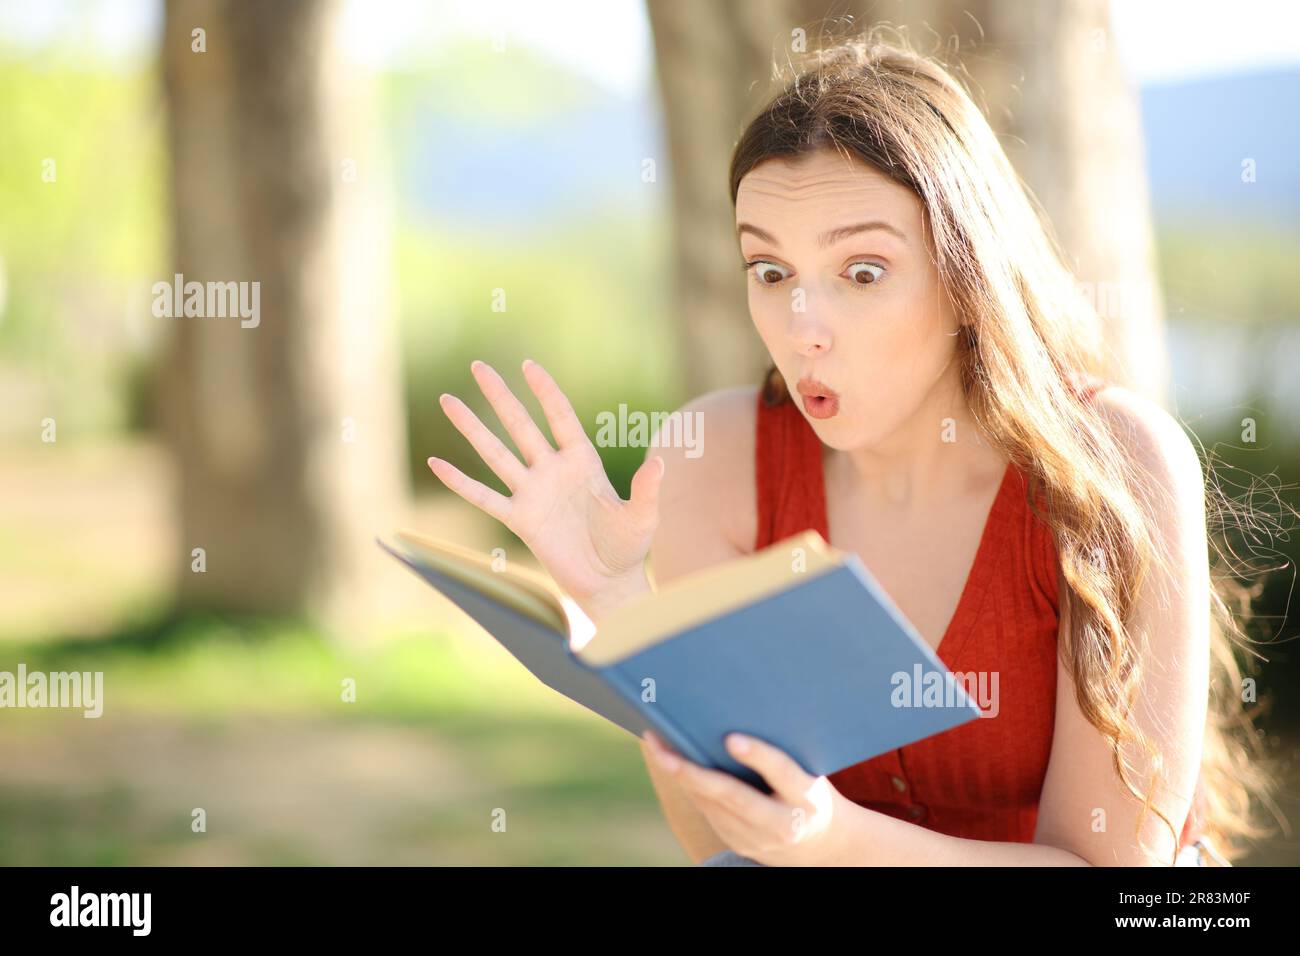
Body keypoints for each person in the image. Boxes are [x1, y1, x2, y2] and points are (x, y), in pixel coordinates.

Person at [426, 28, 1276, 866]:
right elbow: (723, 847)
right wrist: (622, 610)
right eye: (770, 271)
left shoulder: (1116, 462)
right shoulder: (714, 461)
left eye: (862, 272)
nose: (803, 330)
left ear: (967, 273)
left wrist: (835, 840)